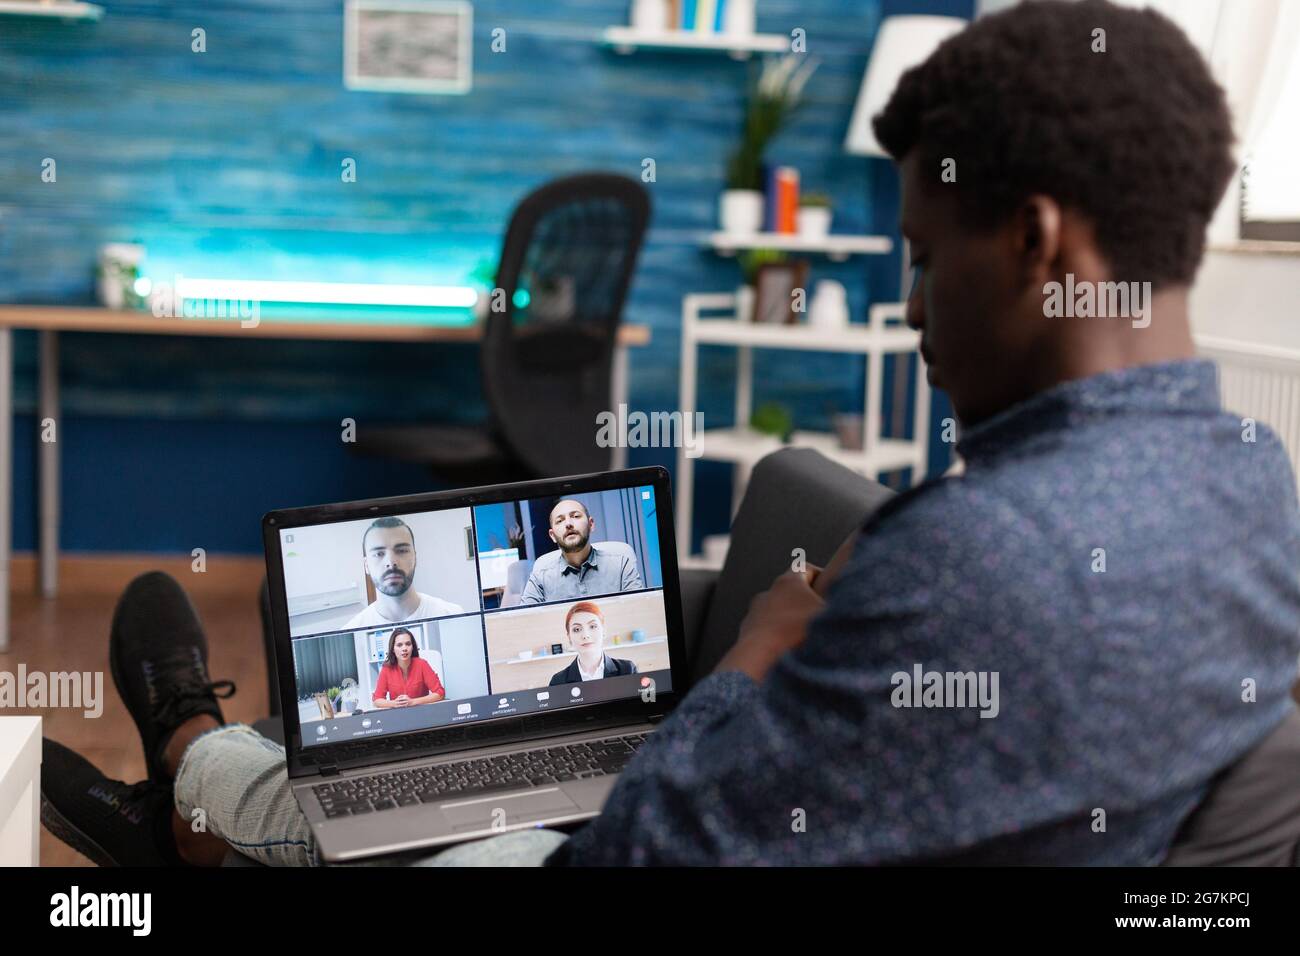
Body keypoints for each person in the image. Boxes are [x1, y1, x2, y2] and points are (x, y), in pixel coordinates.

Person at [39, 0, 1300, 867]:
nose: (911, 306)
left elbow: (638, 855)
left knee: (362, 800)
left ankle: (187, 762)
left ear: (1032, 241)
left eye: (922, 257)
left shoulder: (983, 556)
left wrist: (755, 654)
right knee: (421, 752)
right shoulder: (1253, 480)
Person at [345, 517, 462, 629]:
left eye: (401, 551)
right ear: (366, 565)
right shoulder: (352, 628)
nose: (391, 562)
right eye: (379, 554)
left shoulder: (454, 615)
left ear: (415, 557)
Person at [519, 499, 643, 605]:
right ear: (552, 535)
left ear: (591, 524)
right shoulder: (540, 577)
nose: (568, 524)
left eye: (575, 516)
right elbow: (524, 620)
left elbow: (639, 610)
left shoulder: (621, 564)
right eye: (560, 520)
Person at [547, 602, 638, 687]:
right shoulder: (558, 681)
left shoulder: (627, 670)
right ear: (569, 637)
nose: (585, 635)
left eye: (593, 626)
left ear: (604, 631)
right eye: (577, 629)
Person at [372, 628, 445, 709]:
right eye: (399, 645)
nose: (404, 649)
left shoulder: (422, 664)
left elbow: (440, 693)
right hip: (398, 715)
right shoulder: (387, 669)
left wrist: (413, 702)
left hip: (422, 713)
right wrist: (394, 703)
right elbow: (377, 700)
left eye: (408, 644)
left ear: (412, 647)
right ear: (393, 649)